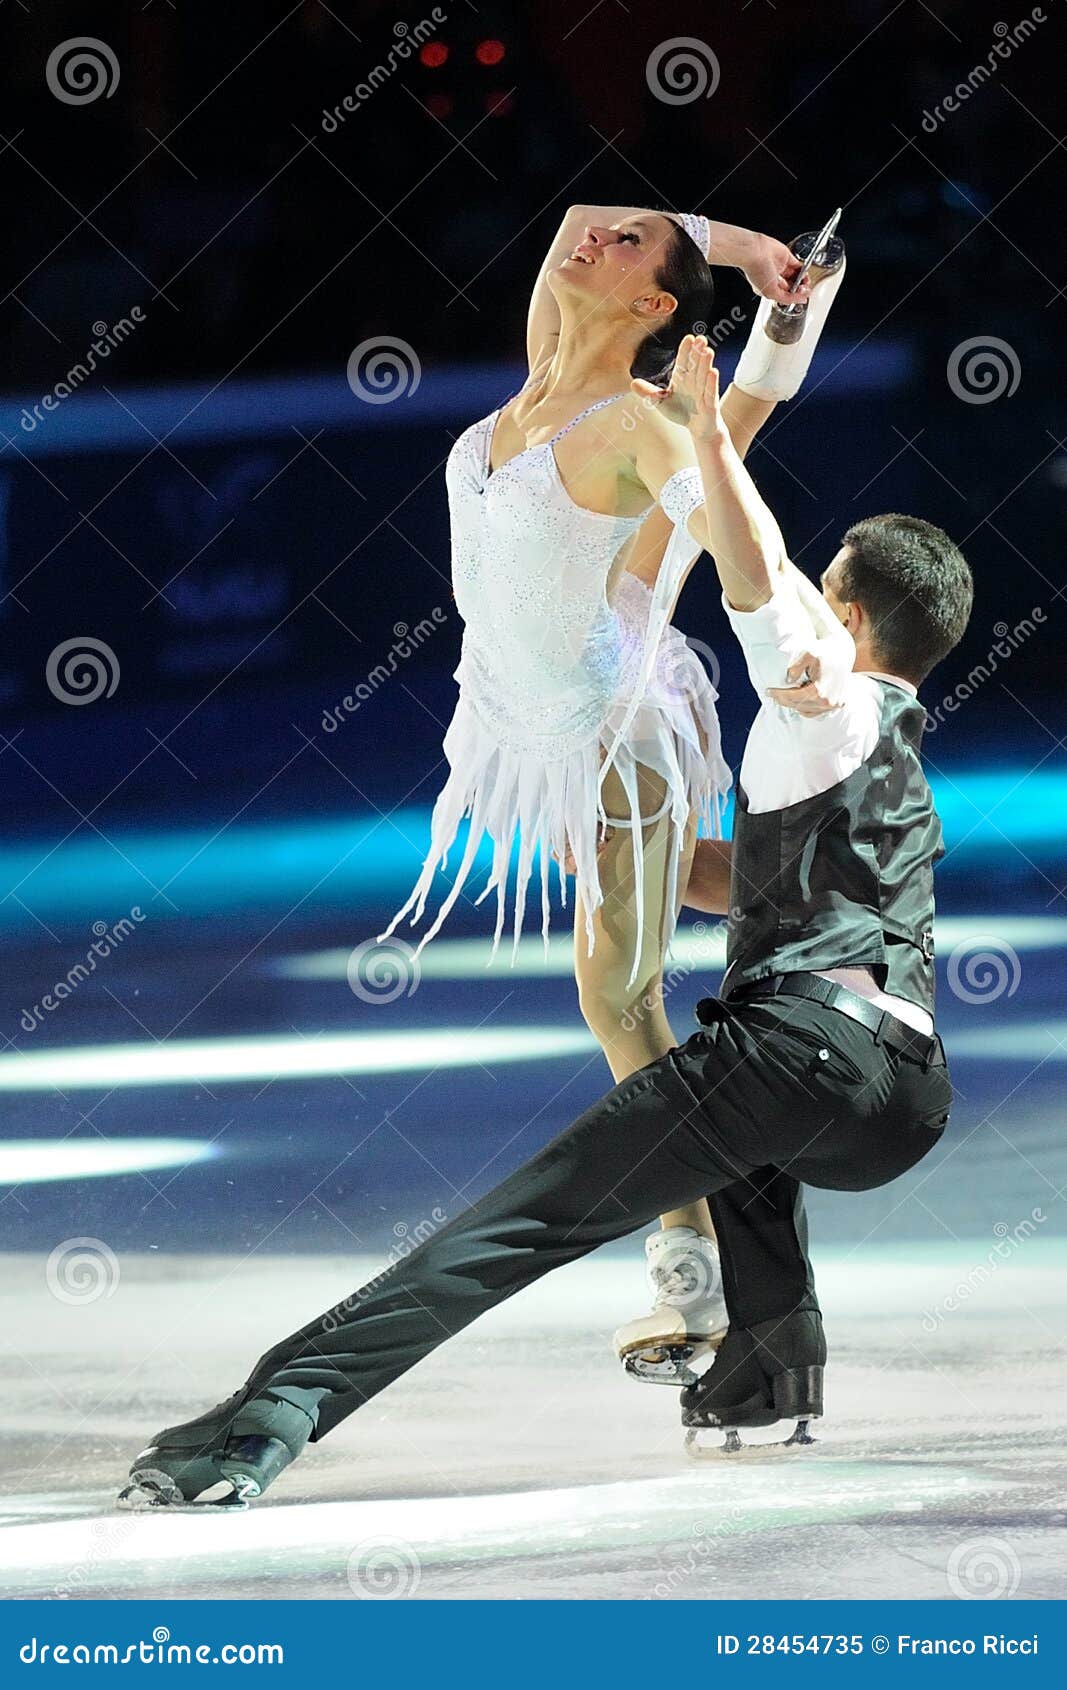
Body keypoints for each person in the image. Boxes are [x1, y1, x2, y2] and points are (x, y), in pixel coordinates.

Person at [120, 333, 972, 1507]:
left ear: (848, 616)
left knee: (525, 1220)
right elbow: (751, 884)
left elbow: (750, 562)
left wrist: (711, 427)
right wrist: (629, 849)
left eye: (824, 589)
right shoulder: (897, 767)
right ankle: (767, 1375)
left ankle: (274, 1408)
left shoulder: (815, 686)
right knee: (747, 1135)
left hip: (799, 1057)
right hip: (907, 1097)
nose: (803, 602)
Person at [375, 203, 846, 1382]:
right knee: (688, 878)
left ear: (651, 311)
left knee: (614, 985)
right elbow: (581, 211)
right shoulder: (542, 374)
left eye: (634, 248)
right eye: (606, 236)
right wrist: (743, 253)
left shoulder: (638, 423)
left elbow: (739, 528)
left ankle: (685, 1273)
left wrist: (805, 660)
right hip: (516, 708)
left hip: (608, 717)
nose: (594, 241)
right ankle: (853, 890)